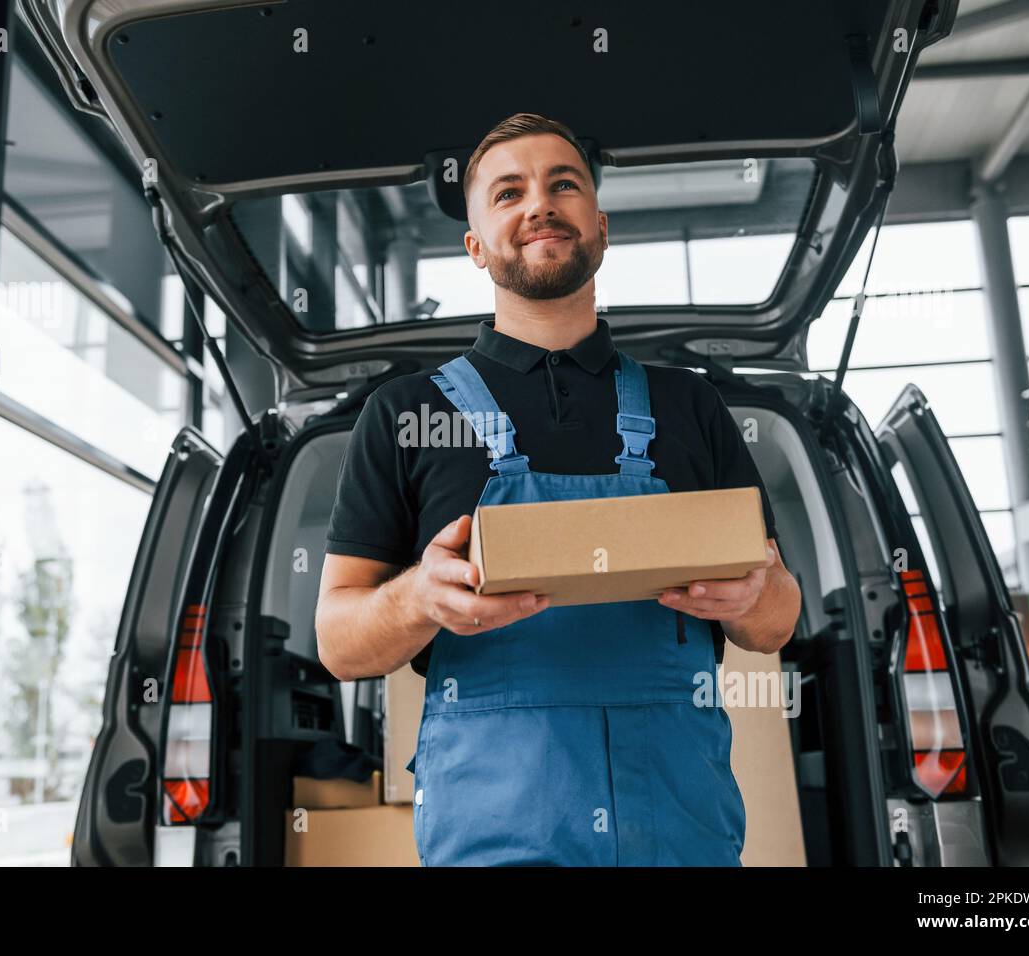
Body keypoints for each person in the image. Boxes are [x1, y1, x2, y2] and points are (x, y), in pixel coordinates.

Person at [315, 112, 802, 865]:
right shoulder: (408, 414)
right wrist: (417, 598)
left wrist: (755, 597)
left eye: (563, 184)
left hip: (682, 832)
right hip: (496, 838)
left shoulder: (691, 404)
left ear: (599, 228)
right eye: (508, 192)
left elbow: (776, 622)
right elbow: (339, 643)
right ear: (475, 246)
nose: (539, 204)